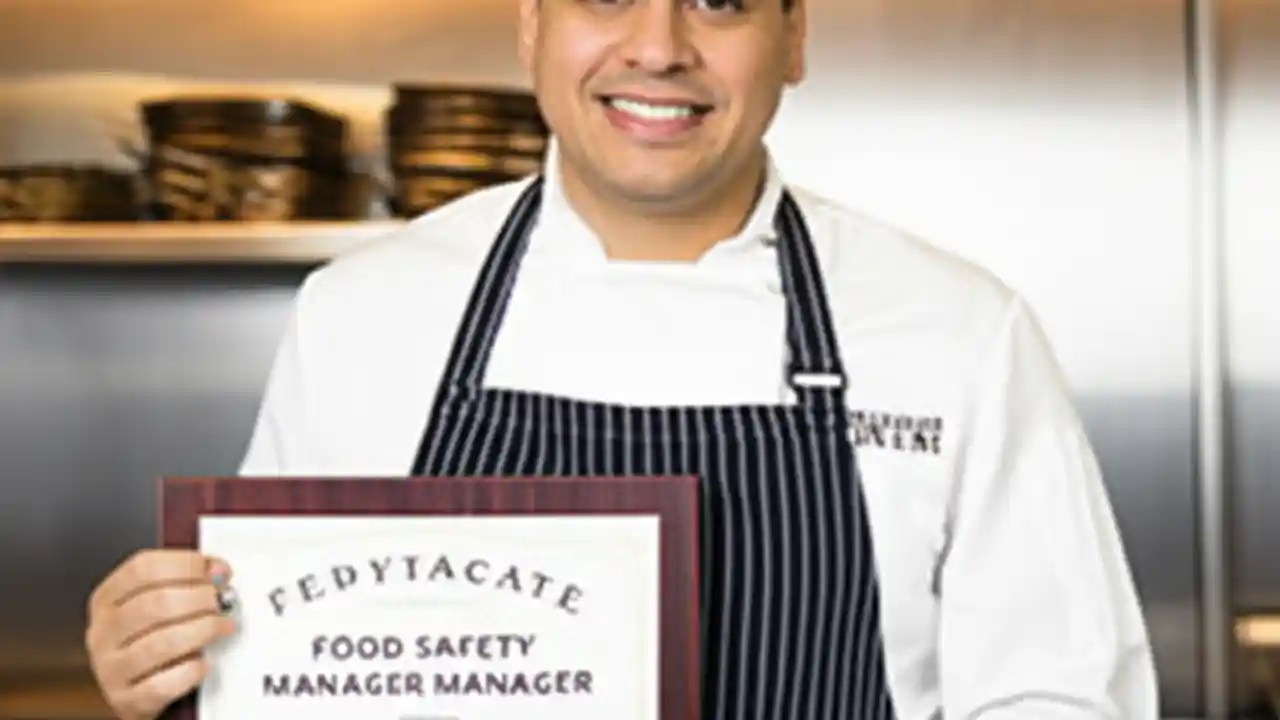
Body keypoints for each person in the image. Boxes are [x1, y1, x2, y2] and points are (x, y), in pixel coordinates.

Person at [84, 0, 1159, 717]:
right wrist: (171, 663)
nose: (657, 47)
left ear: (793, 38)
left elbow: (1058, 695)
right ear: (529, 25)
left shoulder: (958, 332)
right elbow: (285, 679)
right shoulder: (365, 315)